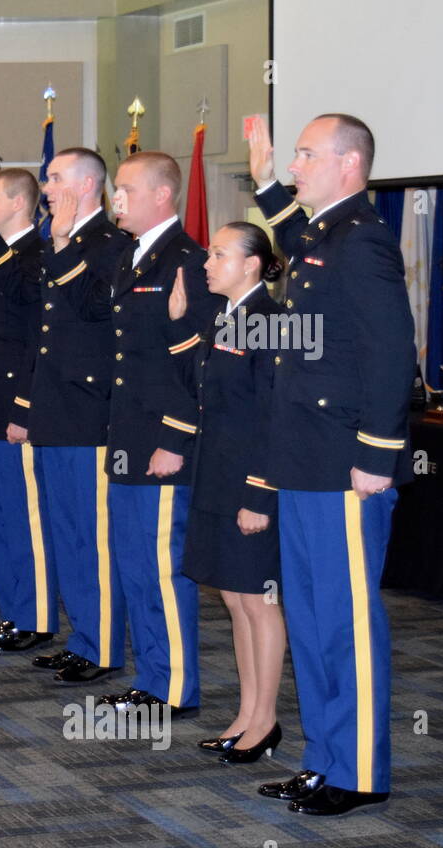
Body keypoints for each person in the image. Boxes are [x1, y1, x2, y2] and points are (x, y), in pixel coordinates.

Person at [248, 114, 414, 815]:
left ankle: (361, 772)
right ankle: (325, 759)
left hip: (347, 465)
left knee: (346, 622)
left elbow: (391, 352)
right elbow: (297, 240)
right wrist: (263, 182)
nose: (295, 167)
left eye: (306, 155)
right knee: (313, 619)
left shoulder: (365, 241)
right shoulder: (323, 237)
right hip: (307, 460)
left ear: (350, 164)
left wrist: (378, 452)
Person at [92, 151, 222, 716]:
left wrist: (175, 436)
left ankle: (172, 687)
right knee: (134, 563)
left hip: (165, 441)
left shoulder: (189, 262)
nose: (115, 198)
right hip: (129, 434)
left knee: (161, 568)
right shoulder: (131, 258)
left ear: (162, 195)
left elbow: (197, 365)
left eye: (125, 188)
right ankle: (152, 677)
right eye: (115, 189)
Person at [174, 222, 287, 764]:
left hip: (250, 483)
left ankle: (265, 721)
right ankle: (247, 714)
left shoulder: (268, 322)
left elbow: (272, 417)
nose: (206, 262)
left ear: (250, 264)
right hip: (217, 478)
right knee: (236, 601)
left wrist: (259, 495)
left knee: (259, 602)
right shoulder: (227, 320)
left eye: (219, 254)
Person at [22, 148, 131, 684]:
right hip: (55, 408)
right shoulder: (64, 239)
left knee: (91, 534)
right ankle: (83, 635)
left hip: (88, 412)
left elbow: (98, 308)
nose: (47, 185)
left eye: (57, 177)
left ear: (88, 185)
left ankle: (104, 644)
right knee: (64, 531)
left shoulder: (111, 244)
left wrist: (63, 242)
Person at [0, 168, 58, 652]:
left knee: (25, 518)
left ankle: (36, 615)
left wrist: (23, 405)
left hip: (14, 405)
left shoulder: (35, 255)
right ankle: (13, 610)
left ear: (20, 204)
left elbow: (30, 322)